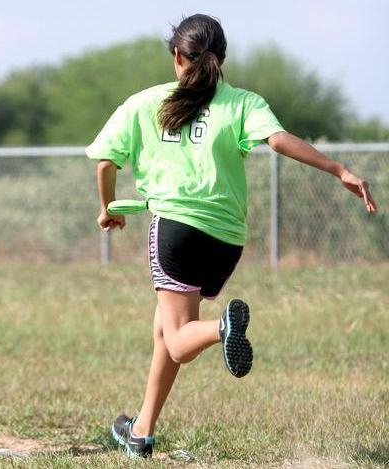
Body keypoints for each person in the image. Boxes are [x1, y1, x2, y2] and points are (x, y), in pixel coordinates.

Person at [86, 14, 377, 459]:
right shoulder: (242, 102)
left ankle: (221, 327)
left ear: (177, 56)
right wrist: (339, 169)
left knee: (180, 337)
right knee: (163, 329)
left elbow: (105, 162)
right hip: (227, 239)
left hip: (177, 230)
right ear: (221, 59)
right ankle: (141, 430)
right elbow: (278, 141)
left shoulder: (145, 103)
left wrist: (107, 209)